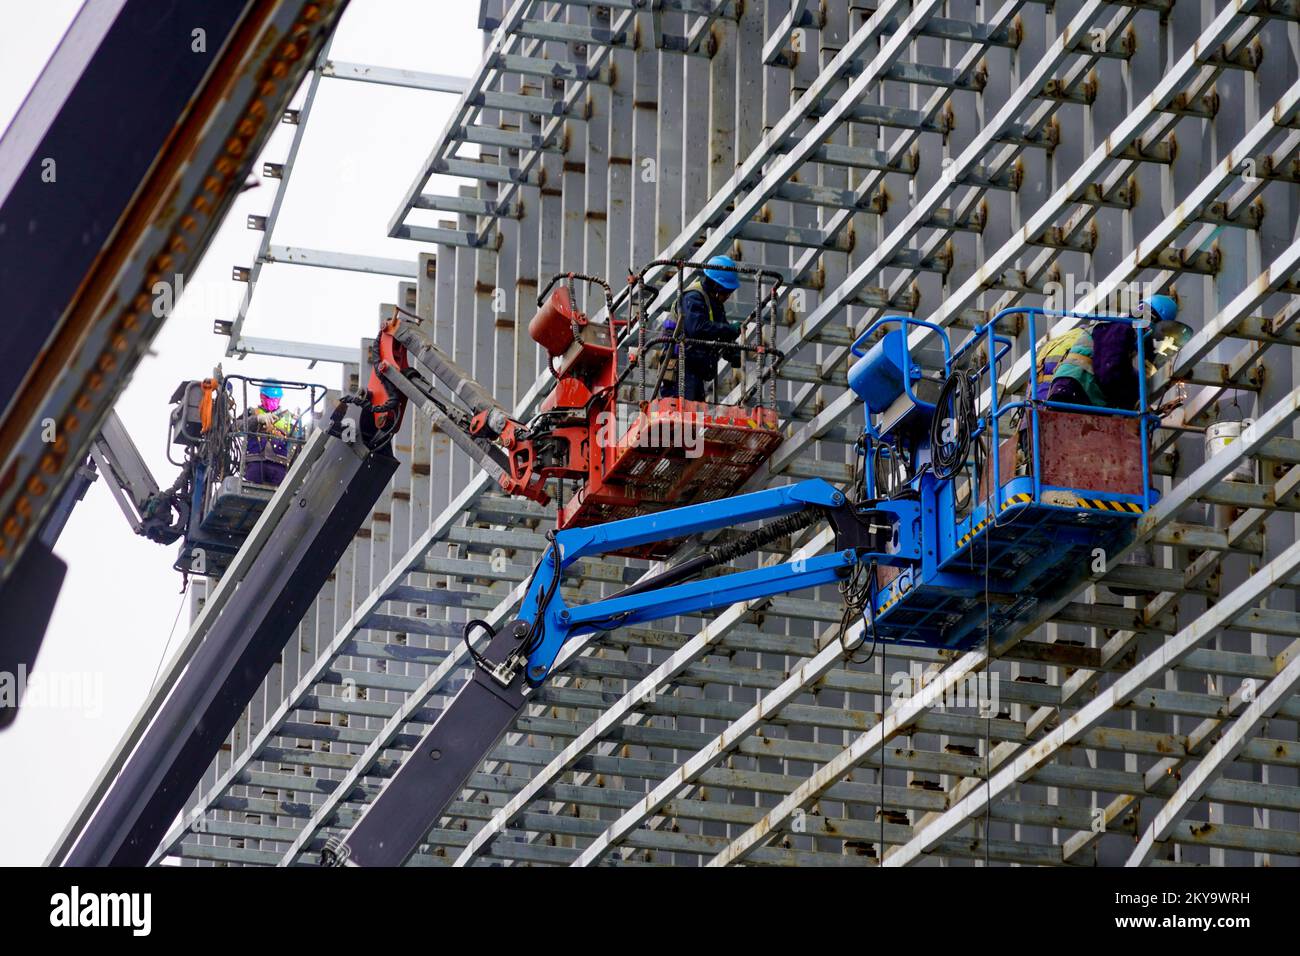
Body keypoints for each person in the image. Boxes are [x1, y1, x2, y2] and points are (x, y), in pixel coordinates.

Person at [1032, 295, 1181, 410]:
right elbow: (1110, 371)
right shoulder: (1120, 328)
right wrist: (1133, 390)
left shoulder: (1118, 331)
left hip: (1073, 392)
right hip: (1075, 392)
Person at [659, 255, 745, 402]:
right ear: (716, 286)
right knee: (683, 414)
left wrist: (731, 350)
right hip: (680, 369)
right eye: (726, 292)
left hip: (695, 369)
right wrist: (730, 330)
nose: (728, 296)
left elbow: (719, 333)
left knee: (694, 416)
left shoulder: (714, 304)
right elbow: (697, 329)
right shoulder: (693, 298)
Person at [239, 381, 299, 486]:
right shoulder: (252, 412)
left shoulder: (289, 418)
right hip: (255, 460)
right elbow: (236, 426)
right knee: (251, 491)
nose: (272, 401)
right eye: (269, 398)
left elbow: (298, 443)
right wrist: (257, 419)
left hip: (279, 464)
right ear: (261, 397)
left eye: (275, 399)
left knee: (281, 496)